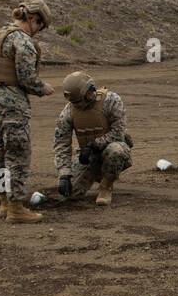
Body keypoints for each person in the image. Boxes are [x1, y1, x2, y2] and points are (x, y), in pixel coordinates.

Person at [0, 0, 56, 224]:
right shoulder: (22, 41)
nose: (38, 31)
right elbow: (26, 77)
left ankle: (4, 202)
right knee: (17, 155)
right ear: (34, 19)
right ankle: (16, 207)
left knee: (0, 153)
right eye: (40, 26)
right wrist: (42, 88)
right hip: (12, 103)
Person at [53, 72, 132, 206]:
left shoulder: (111, 100)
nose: (77, 105)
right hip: (88, 155)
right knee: (71, 194)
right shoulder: (68, 112)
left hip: (112, 148)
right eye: (74, 102)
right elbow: (61, 143)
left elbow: (118, 132)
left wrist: (94, 144)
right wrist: (64, 175)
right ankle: (95, 174)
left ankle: (106, 186)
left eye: (80, 100)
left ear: (90, 90)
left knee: (116, 151)